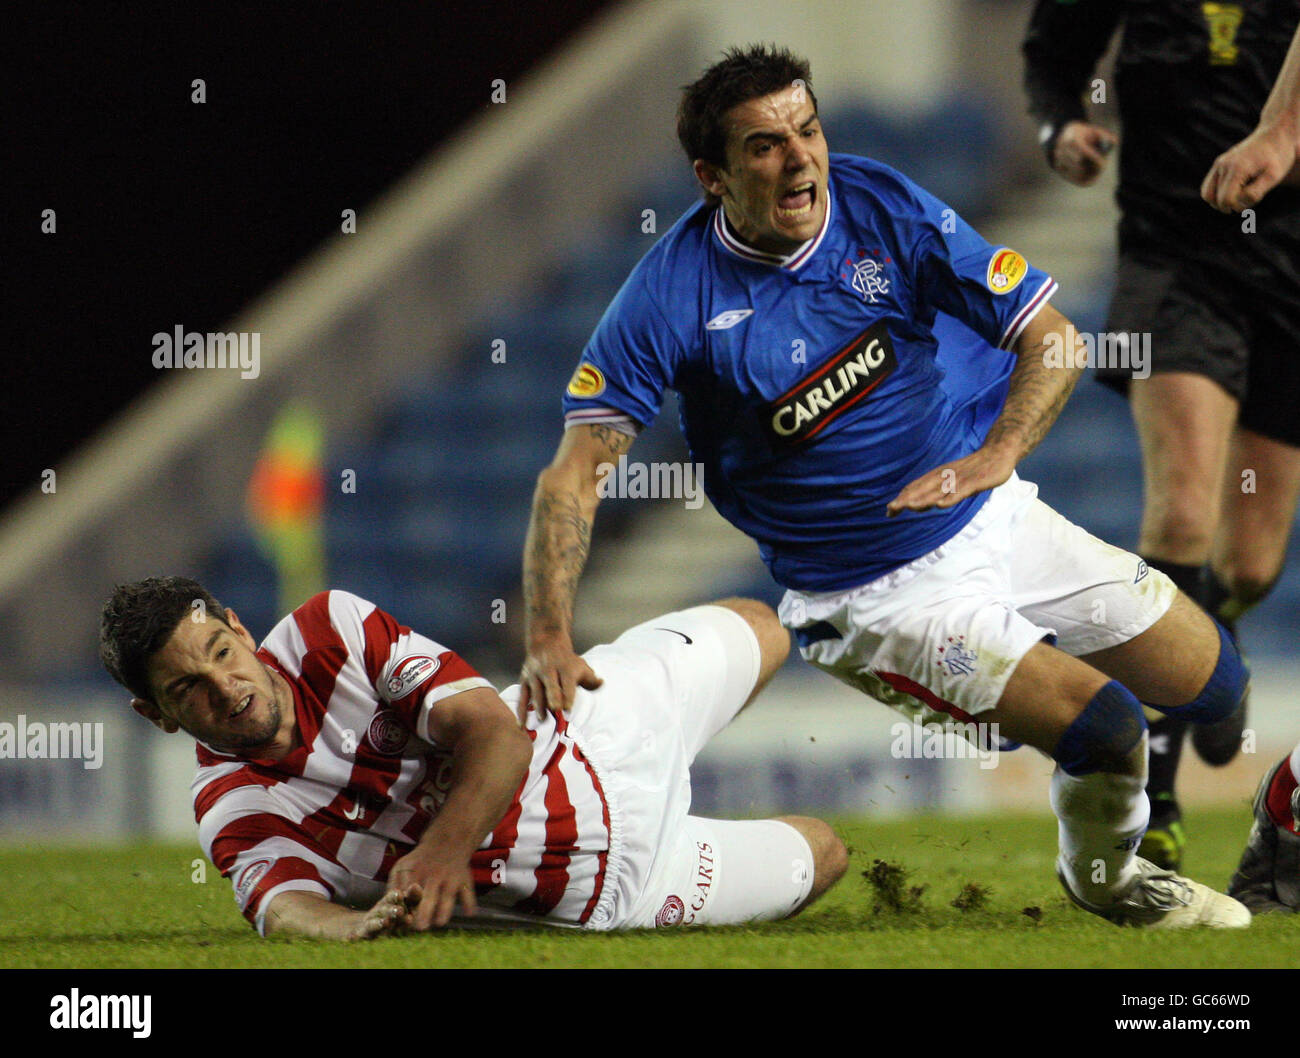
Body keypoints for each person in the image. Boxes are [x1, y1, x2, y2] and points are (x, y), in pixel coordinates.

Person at [520, 43, 1250, 928]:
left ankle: (1252, 806)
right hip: (868, 594)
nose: (799, 159)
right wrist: (550, 633)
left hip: (988, 509)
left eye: (809, 129)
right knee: (1105, 729)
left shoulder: (877, 202)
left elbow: (1054, 338)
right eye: (765, 146)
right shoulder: (668, 295)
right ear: (713, 176)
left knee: (1218, 682)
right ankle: (1106, 878)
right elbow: (574, 476)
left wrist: (996, 455)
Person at [98, 575, 847, 939]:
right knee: (825, 852)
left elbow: (494, 731)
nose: (225, 689)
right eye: (187, 691)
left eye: (222, 652)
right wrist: (355, 927)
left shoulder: (331, 629)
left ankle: (687, 740)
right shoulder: (232, 807)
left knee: (761, 625)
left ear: (236, 625)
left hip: (592, 723)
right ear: (155, 716)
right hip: (614, 883)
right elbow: (284, 908)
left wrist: (438, 854)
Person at [1023, 0, 1300, 871]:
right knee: (1179, 518)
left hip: (1291, 264)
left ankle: (1218, 633)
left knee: (1252, 565)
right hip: (1175, 261)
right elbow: (1052, 55)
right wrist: (1060, 128)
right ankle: (1160, 797)